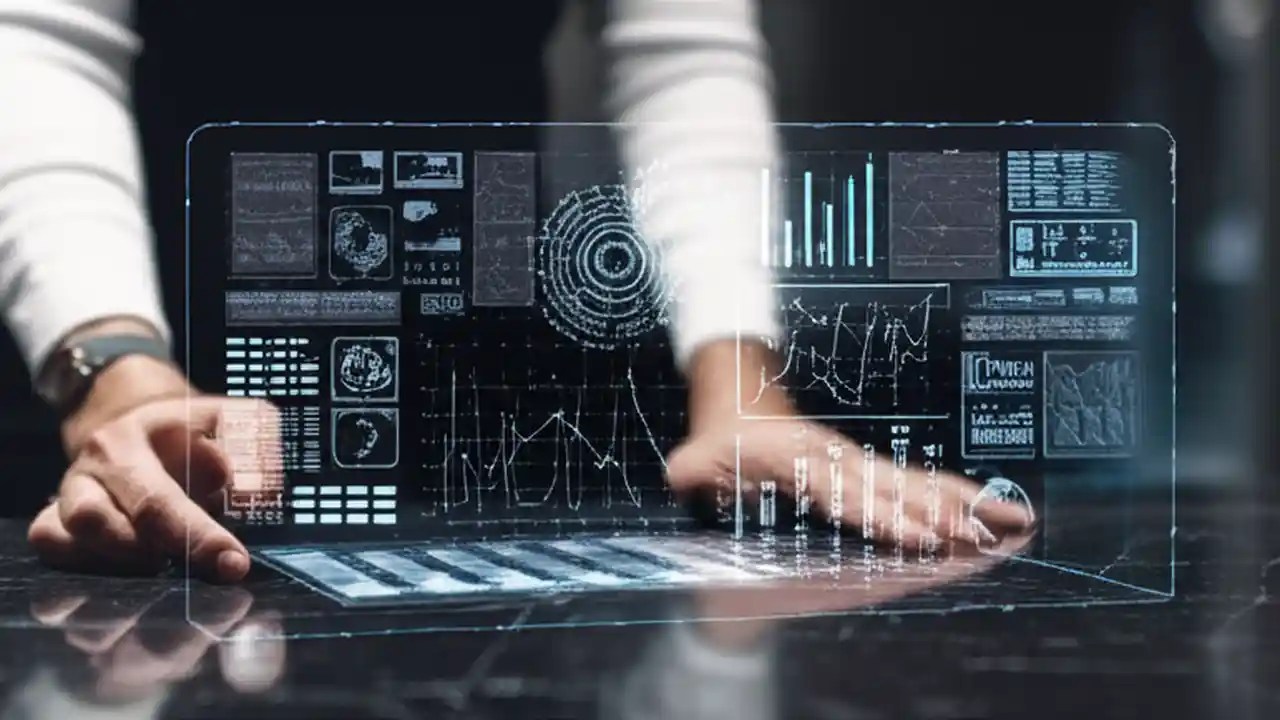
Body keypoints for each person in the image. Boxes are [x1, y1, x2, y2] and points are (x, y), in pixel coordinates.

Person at [6, 0, 1029, 582]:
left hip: (451, 359)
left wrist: (738, 386)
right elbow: (42, 39)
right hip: (96, 338)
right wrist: (111, 368)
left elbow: (680, 53)